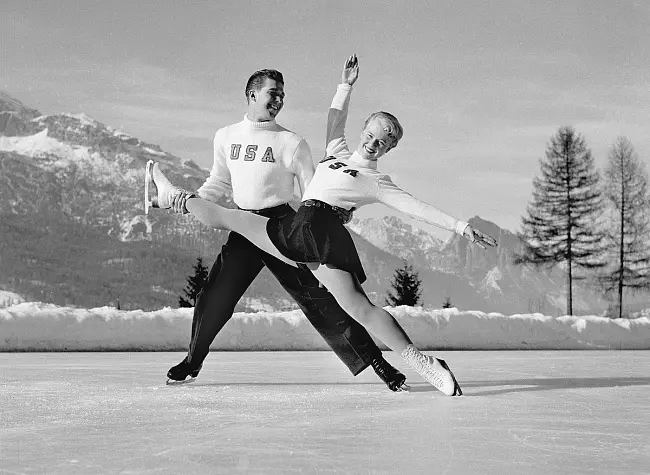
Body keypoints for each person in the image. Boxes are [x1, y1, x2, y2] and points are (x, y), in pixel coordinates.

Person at [147, 55, 497, 396]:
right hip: (293, 228)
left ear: (389, 149)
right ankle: (427, 366)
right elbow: (334, 121)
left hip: (300, 227)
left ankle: (169, 195)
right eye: (373, 134)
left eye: (384, 142)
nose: (374, 143)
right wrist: (345, 86)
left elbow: (411, 206)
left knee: (329, 300)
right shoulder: (327, 150)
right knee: (227, 279)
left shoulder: (351, 169)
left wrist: (460, 226)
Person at [155, 66, 408, 391]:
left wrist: (337, 213)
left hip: (285, 228)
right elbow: (218, 182)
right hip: (245, 227)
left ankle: (379, 363)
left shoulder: (292, 142)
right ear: (252, 95)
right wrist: (193, 203)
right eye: (273, 94)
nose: (279, 100)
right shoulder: (225, 136)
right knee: (214, 295)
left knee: (320, 300)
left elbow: (312, 192)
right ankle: (193, 360)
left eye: (282, 95)